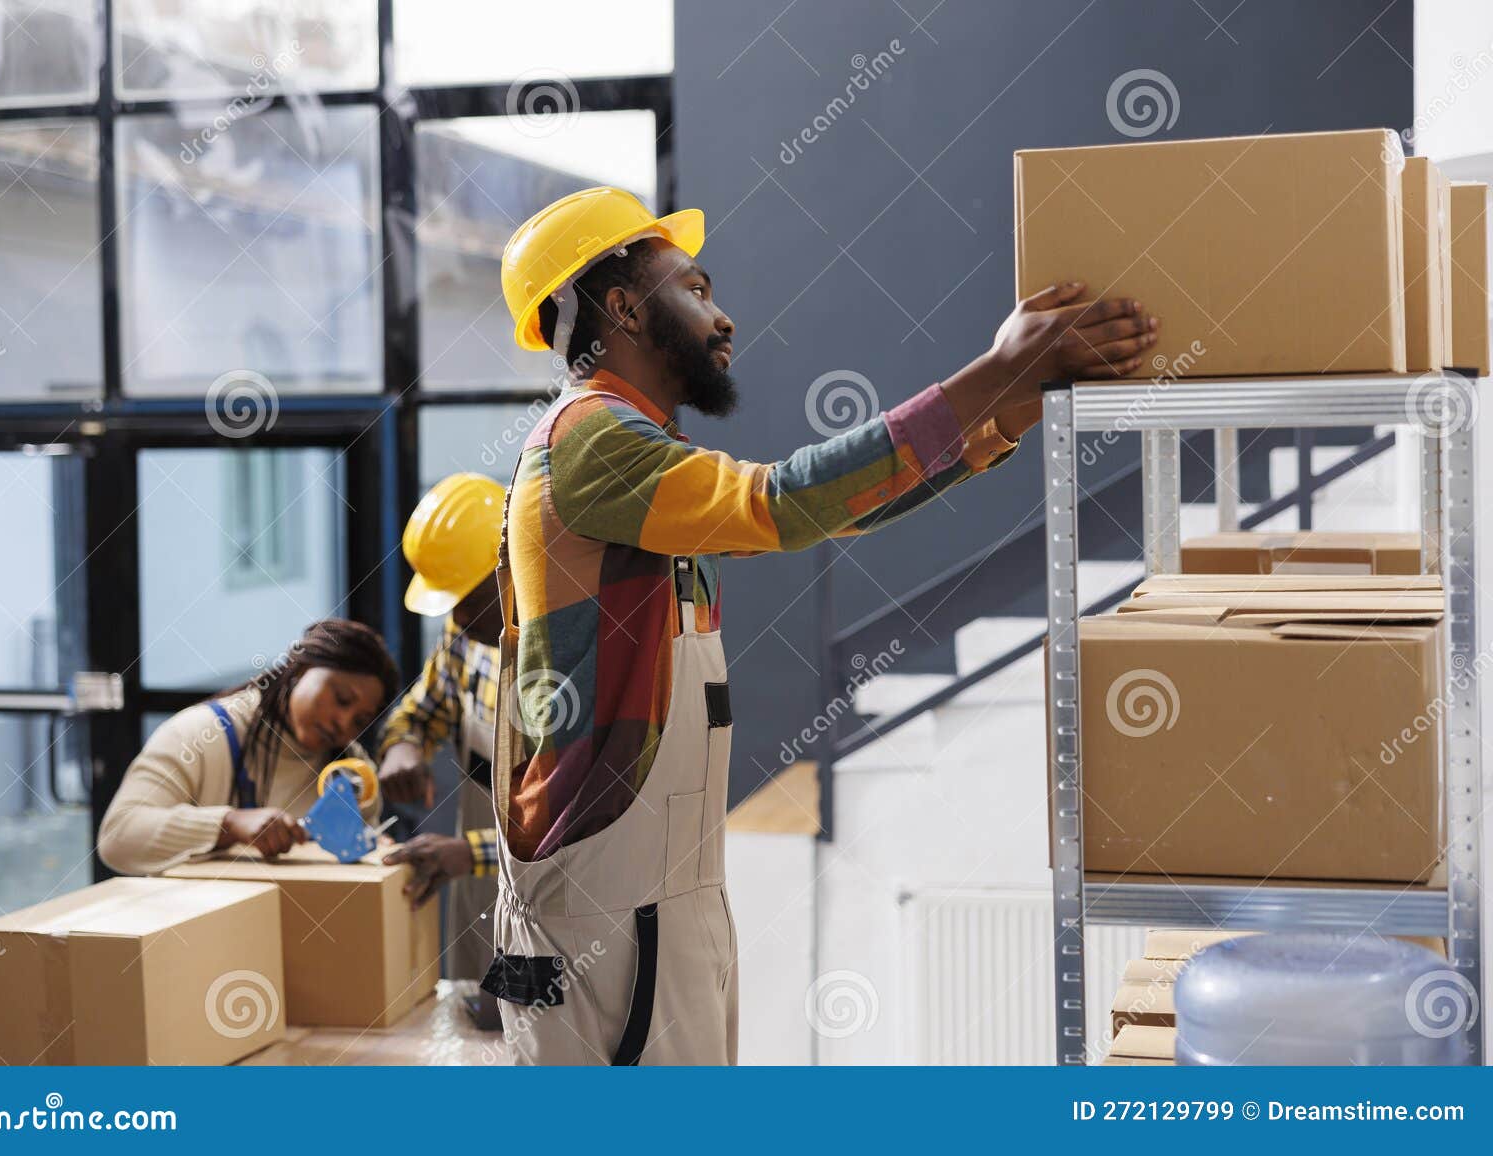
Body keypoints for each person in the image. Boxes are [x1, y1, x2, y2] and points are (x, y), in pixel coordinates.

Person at [483, 186, 1161, 1065]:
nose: (722, 319)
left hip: (656, 893)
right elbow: (787, 500)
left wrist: (1004, 416)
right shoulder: (588, 441)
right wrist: (993, 373)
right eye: (694, 291)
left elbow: (818, 513)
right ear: (620, 307)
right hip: (610, 905)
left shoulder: (639, 459)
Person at [98, 619, 400, 876]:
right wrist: (226, 825)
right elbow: (117, 838)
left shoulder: (351, 771)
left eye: (360, 721)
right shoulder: (201, 734)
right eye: (341, 699)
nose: (342, 723)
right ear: (301, 670)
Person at [374, 473, 505, 988]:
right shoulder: (464, 637)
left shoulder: (566, 665)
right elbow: (420, 712)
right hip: (474, 892)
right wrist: (403, 748)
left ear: (510, 568)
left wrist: (468, 853)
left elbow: (579, 829)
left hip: (556, 905)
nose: (458, 615)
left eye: (468, 599)